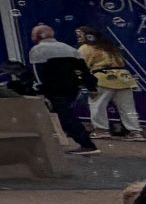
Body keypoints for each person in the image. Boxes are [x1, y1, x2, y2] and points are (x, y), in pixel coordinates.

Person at [27, 23, 100, 153]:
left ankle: (86, 143)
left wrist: (39, 90)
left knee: (66, 116)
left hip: (54, 88)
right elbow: (83, 70)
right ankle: (79, 138)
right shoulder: (68, 48)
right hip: (72, 87)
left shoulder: (38, 50)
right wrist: (91, 86)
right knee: (66, 113)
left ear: (37, 36)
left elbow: (37, 73)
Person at [81, 27, 143, 138]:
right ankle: (135, 131)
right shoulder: (111, 47)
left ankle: (101, 130)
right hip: (124, 78)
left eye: (80, 34)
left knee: (97, 105)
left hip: (103, 78)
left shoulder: (86, 48)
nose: (78, 37)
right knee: (128, 107)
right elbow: (121, 61)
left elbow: (81, 64)